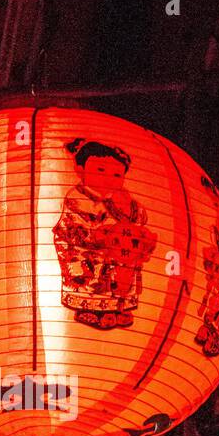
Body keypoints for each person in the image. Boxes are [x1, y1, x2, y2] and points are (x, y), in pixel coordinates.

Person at [53, 138, 156, 330]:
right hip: (89, 248)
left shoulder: (124, 198)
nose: (109, 178)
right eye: (100, 170)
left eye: (117, 174)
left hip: (118, 250)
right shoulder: (78, 197)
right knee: (93, 280)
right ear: (80, 169)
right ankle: (89, 310)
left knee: (121, 279)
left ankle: (119, 308)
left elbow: (139, 217)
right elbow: (76, 226)